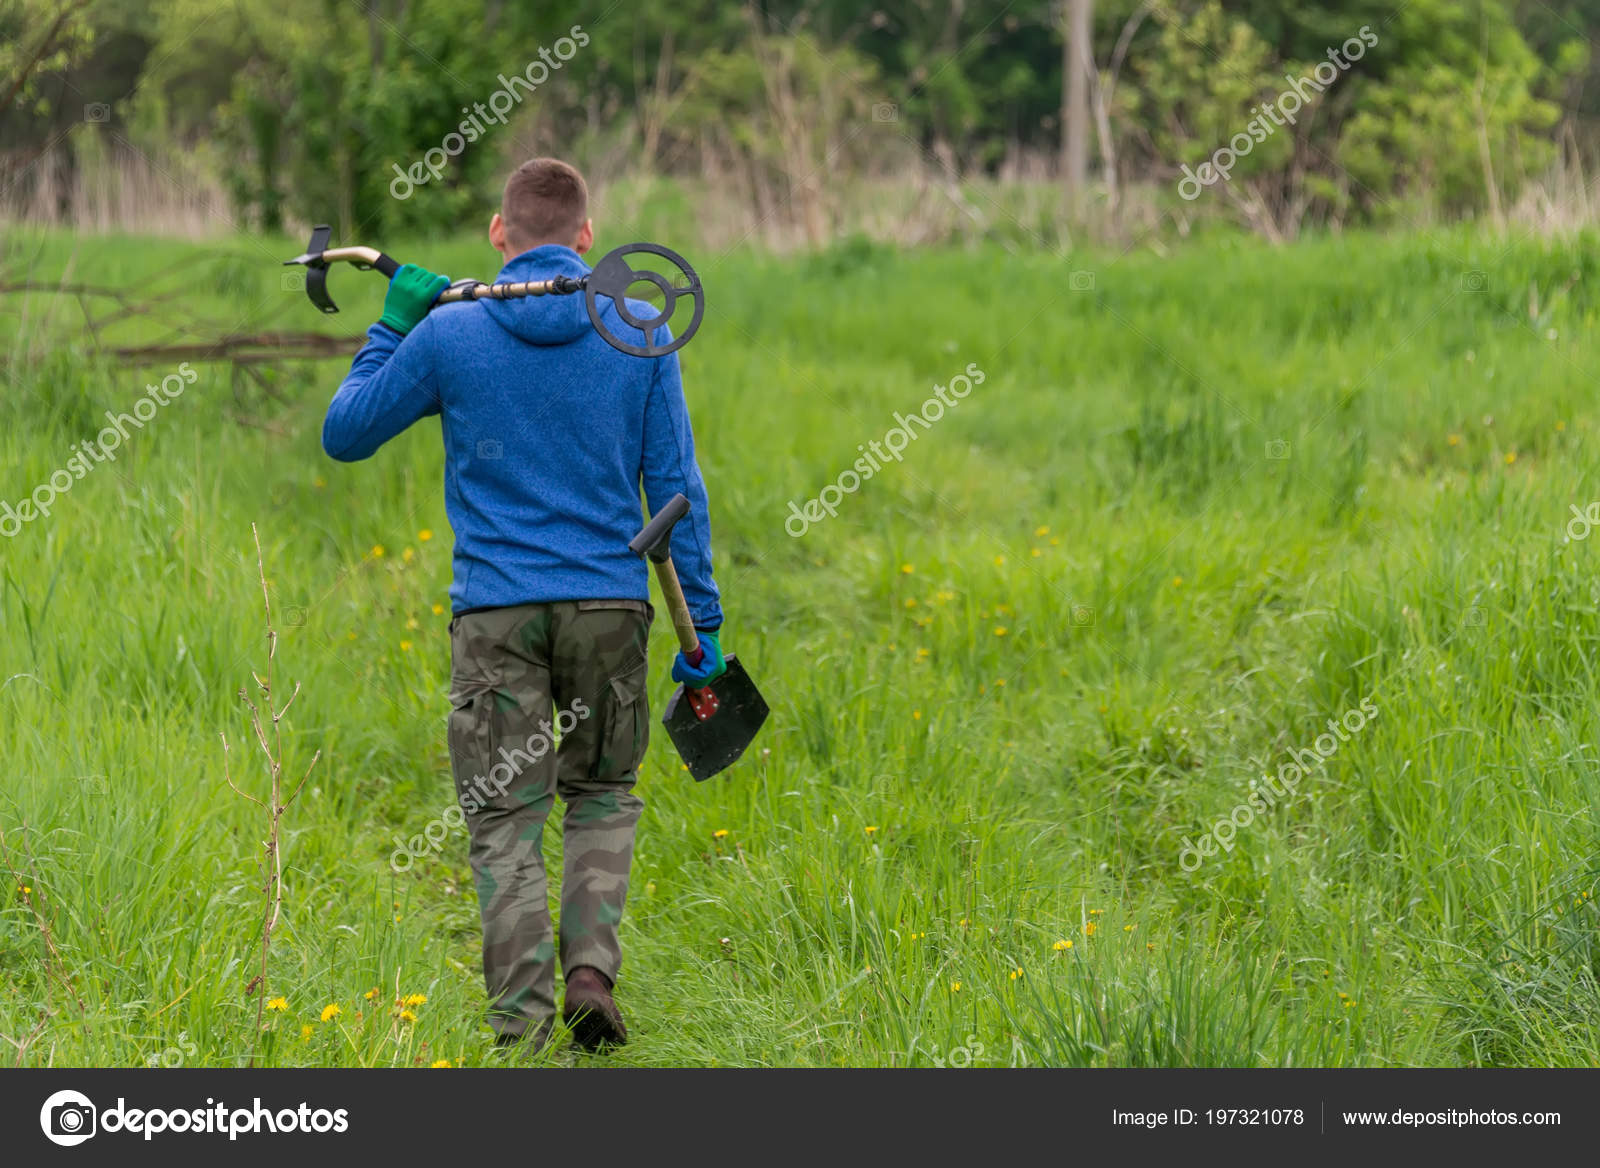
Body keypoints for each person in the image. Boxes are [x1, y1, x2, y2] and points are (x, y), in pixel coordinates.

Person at [321, 157, 725, 1053]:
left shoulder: (448, 334)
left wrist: (393, 326)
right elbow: (676, 485)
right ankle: (590, 969)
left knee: (505, 816)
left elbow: (345, 434)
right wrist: (707, 626)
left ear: (500, 236)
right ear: (587, 237)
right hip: (612, 607)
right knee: (604, 791)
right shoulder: (640, 328)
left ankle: (524, 1029)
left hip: (496, 613)